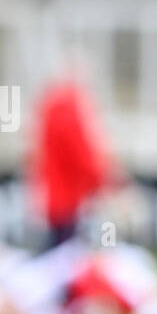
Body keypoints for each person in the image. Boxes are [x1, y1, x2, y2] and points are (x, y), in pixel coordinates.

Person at [29, 72, 120, 250]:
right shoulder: (70, 110)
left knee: (59, 254)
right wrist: (106, 182)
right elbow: (84, 157)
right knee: (70, 257)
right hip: (71, 201)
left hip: (56, 200)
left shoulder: (51, 108)